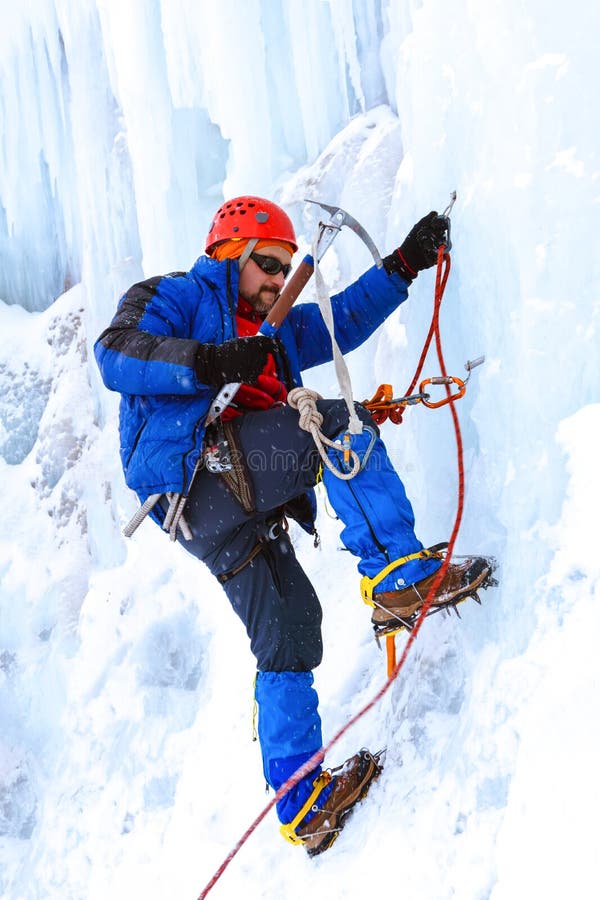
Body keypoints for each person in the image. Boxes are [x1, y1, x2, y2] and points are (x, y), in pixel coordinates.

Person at [94, 196, 495, 856]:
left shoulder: (274, 335)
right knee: (334, 426)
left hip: (219, 511)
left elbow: (343, 321)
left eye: (286, 268)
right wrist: (210, 361)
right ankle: (398, 575)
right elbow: (117, 352)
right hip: (198, 467)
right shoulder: (176, 296)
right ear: (231, 255)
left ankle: (303, 801)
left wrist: (402, 264)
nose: (280, 280)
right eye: (270, 265)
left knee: (288, 631)